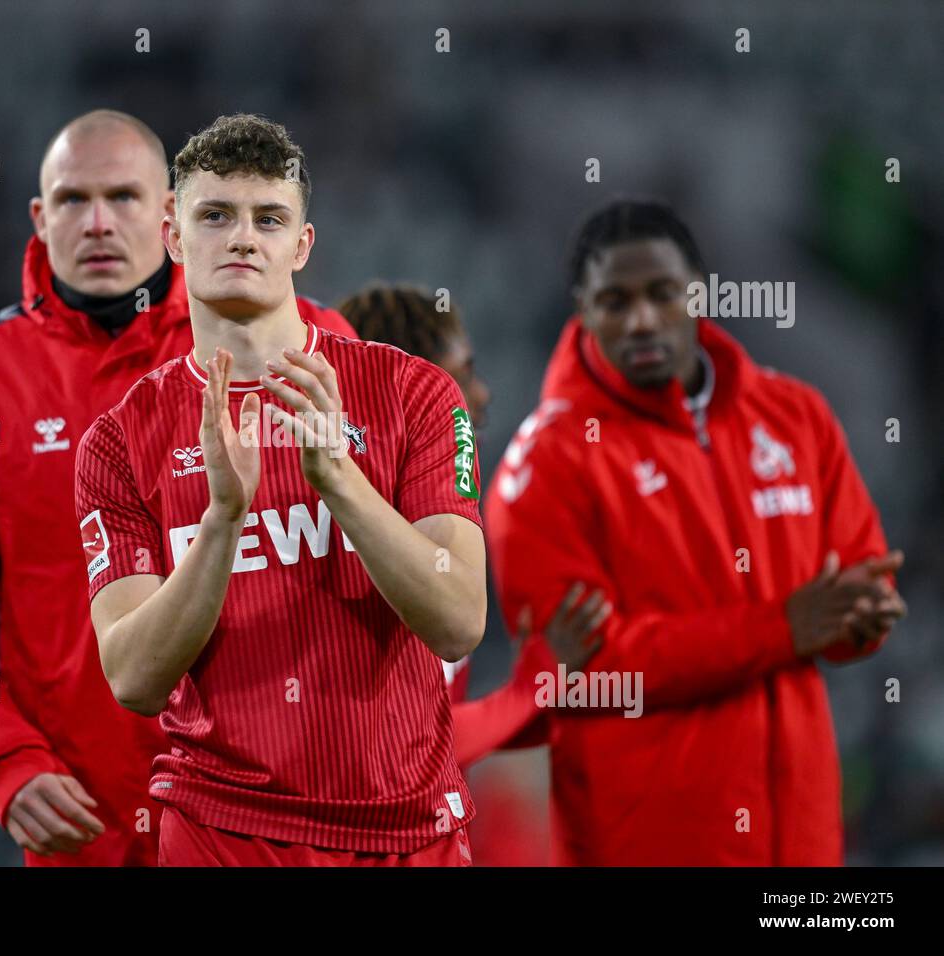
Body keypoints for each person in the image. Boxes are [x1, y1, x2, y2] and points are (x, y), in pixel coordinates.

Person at [0, 110, 355, 867]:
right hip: (91, 828)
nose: (97, 222)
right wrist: (3, 759)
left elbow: (385, 563)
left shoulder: (310, 347)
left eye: (123, 197)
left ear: (169, 215)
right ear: (39, 218)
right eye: (71, 200)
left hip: (280, 821)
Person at [75, 114, 485, 866]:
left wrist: (339, 480)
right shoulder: (118, 441)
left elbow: (458, 620)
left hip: (407, 837)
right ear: (172, 235)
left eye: (269, 219)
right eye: (216, 216)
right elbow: (133, 677)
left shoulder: (413, 394)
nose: (242, 238)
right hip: (222, 832)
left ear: (301, 244)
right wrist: (224, 521)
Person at [484, 197, 907, 865]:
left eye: (662, 293)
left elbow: (859, 576)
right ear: (583, 311)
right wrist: (784, 627)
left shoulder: (797, 417)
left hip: (802, 840)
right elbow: (586, 670)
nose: (642, 318)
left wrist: (864, 616)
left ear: (703, 293)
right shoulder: (548, 465)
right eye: (615, 301)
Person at [337, 283, 607, 766]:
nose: (480, 396)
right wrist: (535, 684)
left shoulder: (416, 526)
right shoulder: (365, 555)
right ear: (406, 391)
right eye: (462, 375)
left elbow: (437, 729)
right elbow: (413, 751)